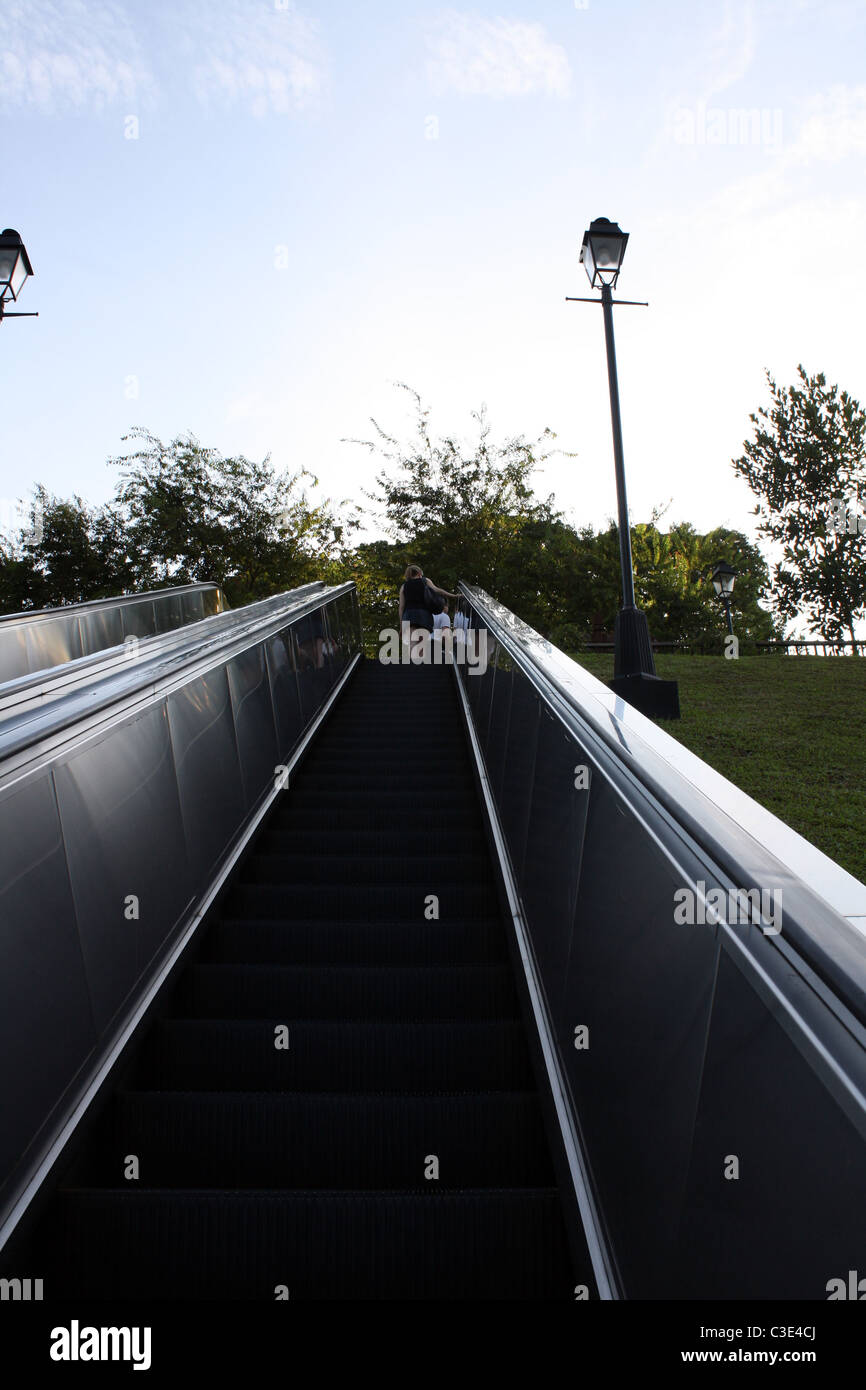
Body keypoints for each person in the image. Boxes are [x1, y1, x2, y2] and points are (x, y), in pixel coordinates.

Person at [398, 565, 458, 638]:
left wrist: (401, 626)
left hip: (408, 616)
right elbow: (438, 590)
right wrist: (453, 595)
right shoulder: (425, 581)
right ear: (419, 573)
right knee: (422, 644)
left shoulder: (403, 586)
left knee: (412, 643)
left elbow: (401, 607)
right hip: (423, 615)